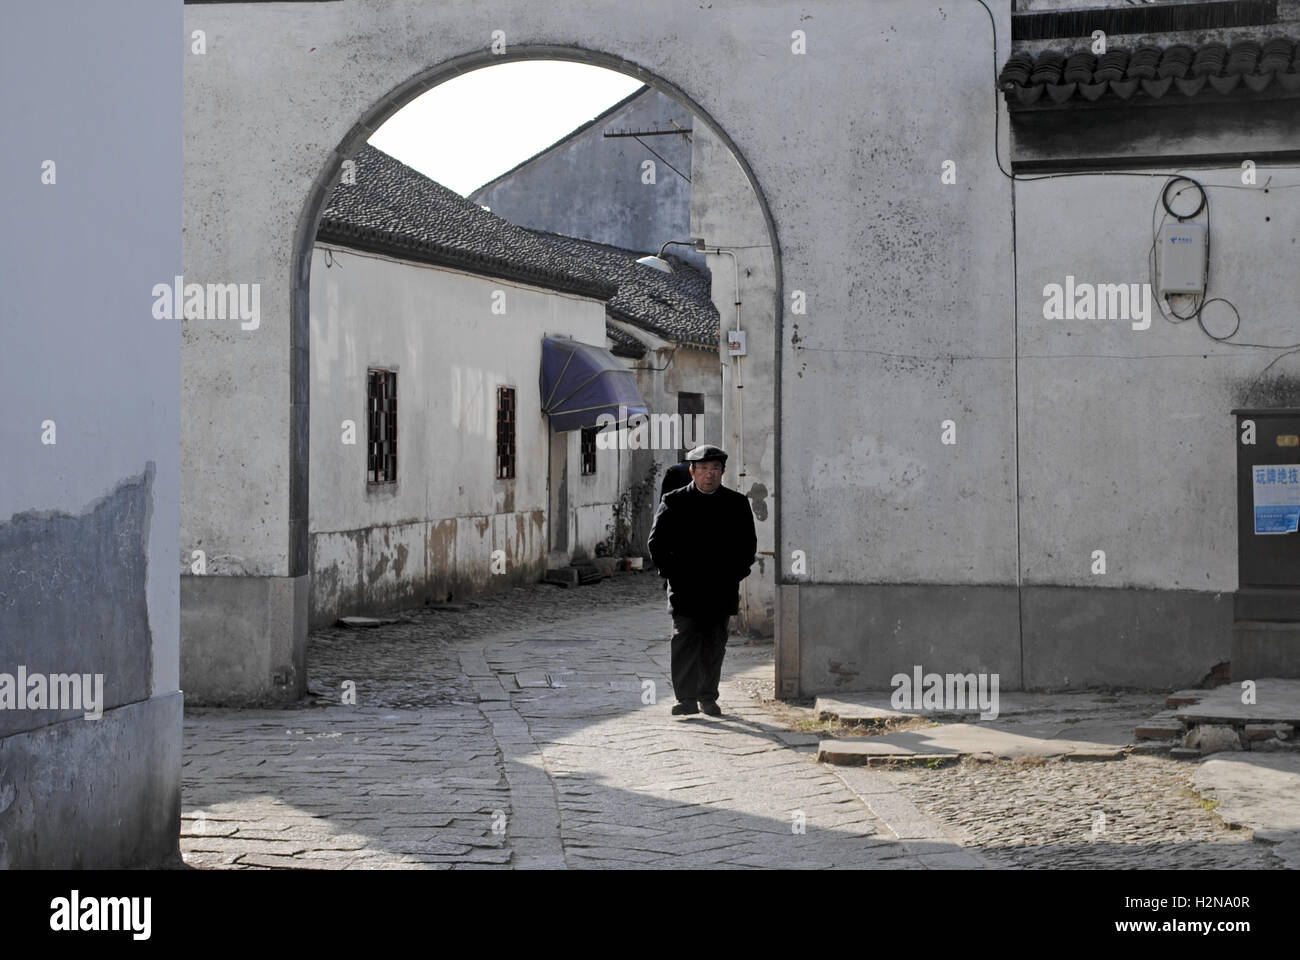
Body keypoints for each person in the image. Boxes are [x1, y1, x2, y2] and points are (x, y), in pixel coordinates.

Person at [647, 444, 757, 717]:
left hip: (721, 588)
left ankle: (708, 696)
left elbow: (747, 547)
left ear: (722, 472)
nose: (710, 475)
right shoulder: (674, 502)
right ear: (693, 472)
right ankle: (685, 699)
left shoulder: (736, 504)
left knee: (714, 643)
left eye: (716, 469)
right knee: (684, 640)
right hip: (685, 588)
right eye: (704, 469)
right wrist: (672, 573)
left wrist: (733, 574)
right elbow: (656, 544)